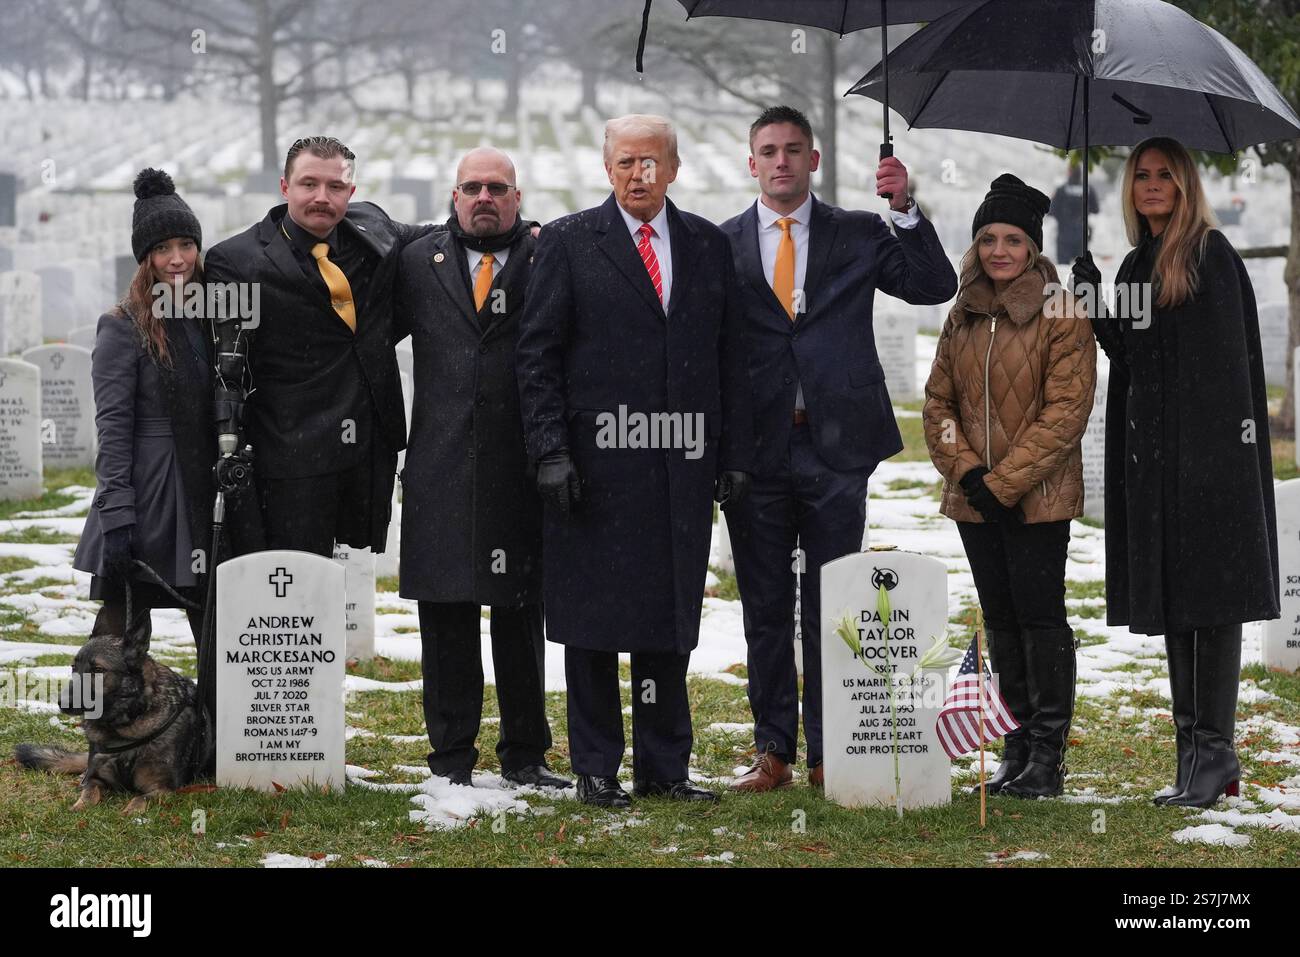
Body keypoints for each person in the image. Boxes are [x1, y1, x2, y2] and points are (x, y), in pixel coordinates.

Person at [516, 114, 756, 809]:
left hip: (680, 467)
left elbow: (728, 357)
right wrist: (550, 450)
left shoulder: (707, 245)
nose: (638, 174)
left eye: (651, 162)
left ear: (674, 168)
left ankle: (664, 766)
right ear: (607, 169)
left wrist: (731, 452)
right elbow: (537, 356)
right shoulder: (565, 243)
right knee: (592, 623)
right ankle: (595, 765)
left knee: (668, 619)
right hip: (593, 469)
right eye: (625, 162)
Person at [721, 105, 958, 793]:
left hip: (836, 450)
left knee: (834, 604)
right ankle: (774, 753)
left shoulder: (858, 232)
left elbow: (933, 285)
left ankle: (831, 751)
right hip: (757, 452)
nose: (782, 161)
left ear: (814, 160)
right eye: (769, 150)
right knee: (764, 606)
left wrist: (905, 205)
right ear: (752, 162)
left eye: (795, 149)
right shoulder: (724, 243)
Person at [1071, 137, 1279, 808]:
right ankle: (1192, 753)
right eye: (1142, 176)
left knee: (1210, 605)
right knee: (1178, 606)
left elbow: (1223, 374)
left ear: (1186, 184)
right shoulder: (1138, 261)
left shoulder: (1209, 257)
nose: (1152, 185)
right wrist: (1094, 299)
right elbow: (1136, 360)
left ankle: (1215, 752)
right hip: (1157, 468)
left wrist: (1208, 461)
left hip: (1210, 468)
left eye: (1164, 175)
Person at [393, 147, 568, 791]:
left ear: (519, 198)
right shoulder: (417, 260)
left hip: (521, 464)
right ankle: (451, 759)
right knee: (445, 619)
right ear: (455, 196)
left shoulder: (549, 254)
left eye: (498, 187)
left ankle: (525, 753)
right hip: (439, 464)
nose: (484, 197)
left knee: (520, 617)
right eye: (472, 187)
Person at [924, 174, 1096, 799]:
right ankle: (1015, 745)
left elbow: (1065, 414)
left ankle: (1048, 752)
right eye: (988, 238)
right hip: (976, 501)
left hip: (1038, 500)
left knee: (1040, 617)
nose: (1000, 250)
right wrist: (969, 474)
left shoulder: (1062, 313)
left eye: (1014, 240)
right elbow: (937, 402)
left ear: (1033, 247)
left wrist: (1006, 483)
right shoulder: (963, 313)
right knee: (999, 618)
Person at [204, 136, 433, 557]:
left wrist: (523, 233)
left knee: (347, 576)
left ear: (352, 192)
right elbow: (227, 369)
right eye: (309, 184)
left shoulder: (374, 232)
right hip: (289, 456)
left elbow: (434, 240)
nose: (322, 198)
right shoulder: (235, 261)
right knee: (296, 590)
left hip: (365, 448)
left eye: (336, 187)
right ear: (285, 186)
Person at [74, 169, 216, 644]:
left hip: (202, 489)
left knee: (216, 633)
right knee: (119, 646)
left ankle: (216, 719)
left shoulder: (213, 315)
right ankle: (106, 717)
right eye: (161, 249)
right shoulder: (121, 325)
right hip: (147, 492)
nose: (176, 259)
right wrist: (117, 516)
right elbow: (112, 425)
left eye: (185, 245)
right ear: (146, 259)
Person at [1050, 159, 1099, 265]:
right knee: (1081, 270)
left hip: (1064, 236)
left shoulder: (1061, 190)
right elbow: (1096, 209)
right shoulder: (1088, 189)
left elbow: (1051, 211)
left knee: (1063, 269)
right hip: (1082, 235)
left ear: (1069, 172)